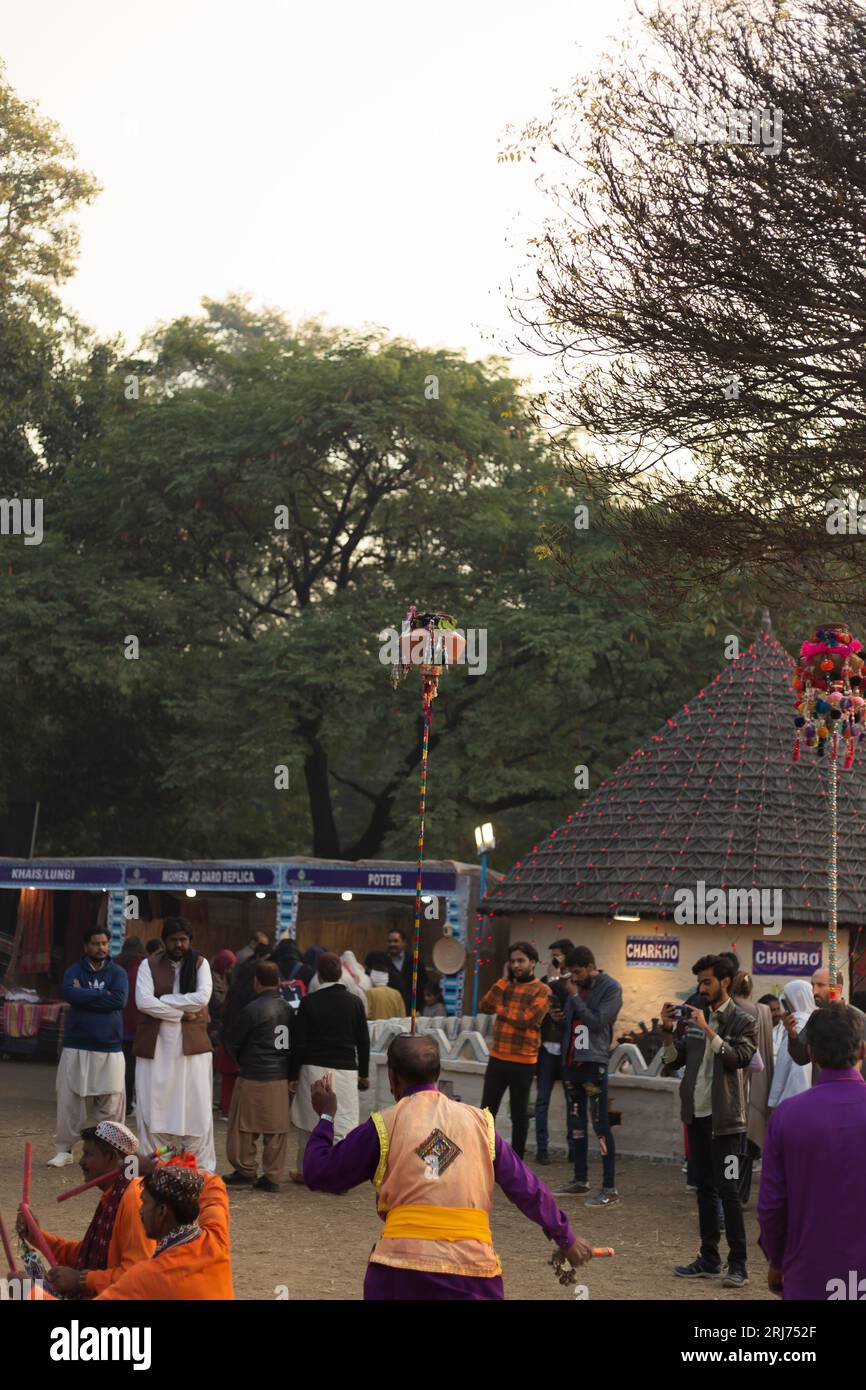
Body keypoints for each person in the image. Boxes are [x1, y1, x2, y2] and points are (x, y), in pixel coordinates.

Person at [303, 1034, 595, 1300]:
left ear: (392, 1076)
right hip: (473, 1272)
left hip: (400, 1269)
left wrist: (327, 1117)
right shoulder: (481, 1124)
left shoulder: (384, 1125)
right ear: (439, 1073)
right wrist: (565, 1236)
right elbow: (526, 1188)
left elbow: (319, 1173)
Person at [661, 954, 757, 1288]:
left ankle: (739, 1265)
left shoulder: (742, 1020)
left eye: (707, 982)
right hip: (697, 1117)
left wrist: (706, 1028)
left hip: (727, 1122)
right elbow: (673, 1063)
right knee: (703, 1188)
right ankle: (709, 1258)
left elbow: (738, 1059)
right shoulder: (694, 1020)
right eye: (699, 982)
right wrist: (667, 1031)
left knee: (728, 1191)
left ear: (725, 982)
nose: (701, 988)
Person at [758, 1004, 866, 1299]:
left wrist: (776, 1260)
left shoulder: (788, 1115)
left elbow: (771, 1205)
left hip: (809, 1273)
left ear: (813, 1055)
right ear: (863, 1051)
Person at [20, 1121, 154, 1296]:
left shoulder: (132, 1199)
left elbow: (137, 1277)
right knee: (22, 1286)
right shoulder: (113, 1195)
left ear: (111, 1157)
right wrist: (36, 1236)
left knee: (24, 1290)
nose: (81, 1162)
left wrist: (81, 1280)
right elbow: (85, 1255)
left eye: (88, 1154)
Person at [134, 918, 216, 1172]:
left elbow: (202, 998)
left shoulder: (201, 964)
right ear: (165, 941)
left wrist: (166, 1000)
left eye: (183, 939)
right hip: (156, 1047)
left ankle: (200, 1170)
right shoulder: (148, 965)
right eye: (174, 940)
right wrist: (179, 1013)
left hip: (192, 1050)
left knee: (196, 1106)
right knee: (153, 1105)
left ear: (189, 941)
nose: (179, 944)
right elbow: (143, 1002)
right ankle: (155, 1167)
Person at [93, 1164, 233, 1300]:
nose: (140, 1210)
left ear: (161, 1211)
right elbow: (213, 1183)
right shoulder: (216, 1238)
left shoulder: (149, 1276)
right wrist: (157, 1169)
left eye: (145, 1202)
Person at [49, 927, 128, 1168]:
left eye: (105, 943)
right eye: (96, 943)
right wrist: (101, 993)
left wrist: (86, 994)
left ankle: (111, 1152)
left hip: (110, 1048)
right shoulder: (73, 970)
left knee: (112, 1104)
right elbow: (70, 994)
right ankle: (64, 1150)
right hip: (77, 1045)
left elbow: (119, 1000)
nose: (101, 948)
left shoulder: (118, 972)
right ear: (86, 946)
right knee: (69, 1101)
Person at [288, 952, 370, 1181]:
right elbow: (363, 1041)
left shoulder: (309, 1002)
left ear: (319, 975)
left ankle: (306, 1171)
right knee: (343, 1121)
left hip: (312, 1067)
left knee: (310, 1120)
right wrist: (364, 1073)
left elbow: (299, 1042)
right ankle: (341, 1173)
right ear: (340, 974)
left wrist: (292, 1075)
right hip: (346, 1070)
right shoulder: (354, 1002)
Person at [555, 946, 623, 1205]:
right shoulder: (576, 988)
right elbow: (575, 1026)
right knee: (576, 1124)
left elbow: (596, 1022)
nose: (574, 977)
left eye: (577, 972)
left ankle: (609, 1187)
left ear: (591, 966)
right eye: (571, 972)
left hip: (594, 1065)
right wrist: (558, 1019)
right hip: (572, 1064)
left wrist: (574, 997)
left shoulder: (610, 988)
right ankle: (580, 1180)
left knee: (599, 1124)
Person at [479, 942, 551, 1160]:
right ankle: (485, 1156)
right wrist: (502, 980)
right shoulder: (505, 986)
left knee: (519, 1115)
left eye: (521, 960)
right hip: (498, 1057)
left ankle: (516, 1161)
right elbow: (484, 1006)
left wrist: (500, 1010)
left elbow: (528, 1019)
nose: (517, 965)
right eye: (513, 961)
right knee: (487, 1112)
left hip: (524, 1061)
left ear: (533, 962)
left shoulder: (543, 990)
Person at [224, 961, 292, 1193]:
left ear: (257, 981)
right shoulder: (288, 1008)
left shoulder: (252, 1009)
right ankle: (272, 1177)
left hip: (253, 1075)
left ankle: (245, 1171)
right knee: (276, 1131)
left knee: (243, 1129)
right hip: (279, 1076)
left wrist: (242, 1061)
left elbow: (234, 1042)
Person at [730, 971, 774, 1206]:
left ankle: (730, 1192)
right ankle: (741, 1193)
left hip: (732, 1088)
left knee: (732, 1146)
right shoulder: (763, 1011)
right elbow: (762, 1058)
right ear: (751, 989)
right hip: (755, 1087)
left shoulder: (729, 1008)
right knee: (746, 1147)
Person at [784, 967, 866, 1082]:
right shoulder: (817, 1018)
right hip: (823, 1091)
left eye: (820, 985)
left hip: (856, 1092)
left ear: (837, 988)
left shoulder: (859, 1018)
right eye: (812, 985)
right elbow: (801, 1057)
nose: (814, 991)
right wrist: (792, 1035)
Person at [535, 939, 574, 1166]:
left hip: (567, 1049)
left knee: (572, 1101)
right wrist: (551, 979)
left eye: (558, 956)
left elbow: (569, 1000)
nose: (554, 961)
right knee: (542, 1101)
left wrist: (556, 979)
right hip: (547, 1048)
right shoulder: (545, 981)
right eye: (553, 957)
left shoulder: (573, 982)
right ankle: (542, 1148)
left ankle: (573, 1147)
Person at [767, 979, 815, 1107]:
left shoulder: (799, 1025)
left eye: (786, 1000)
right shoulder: (812, 1021)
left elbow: (799, 1075)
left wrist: (785, 1105)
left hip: (794, 1103)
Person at [365, 927, 427, 1013]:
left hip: (410, 1010)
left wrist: (418, 1008)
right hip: (388, 1009)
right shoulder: (380, 961)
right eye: (389, 941)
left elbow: (422, 986)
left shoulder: (415, 962)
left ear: (404, 943)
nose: (392, 944)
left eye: (395, 941)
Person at [117, 937, 145, 1117]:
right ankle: (130, 1104)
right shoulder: (144, 967)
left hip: (118, 1023)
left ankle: (118, 1102)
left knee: (119, 1064)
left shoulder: (116, 965)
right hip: (138, 1024)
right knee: (134, 1066)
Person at [365, 955, 406, 1019]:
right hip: (393, 1028)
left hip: (377, 1028)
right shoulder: (396, 993)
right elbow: (402, 1015)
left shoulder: (370, 992)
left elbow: (368, 1014)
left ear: (372, 977)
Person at [758, 993, 784, 1062]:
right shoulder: (757, 1031)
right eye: (772, 1010)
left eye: (778, 1009)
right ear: (763, 1012)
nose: (777, 1013)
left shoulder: (786, 1029)